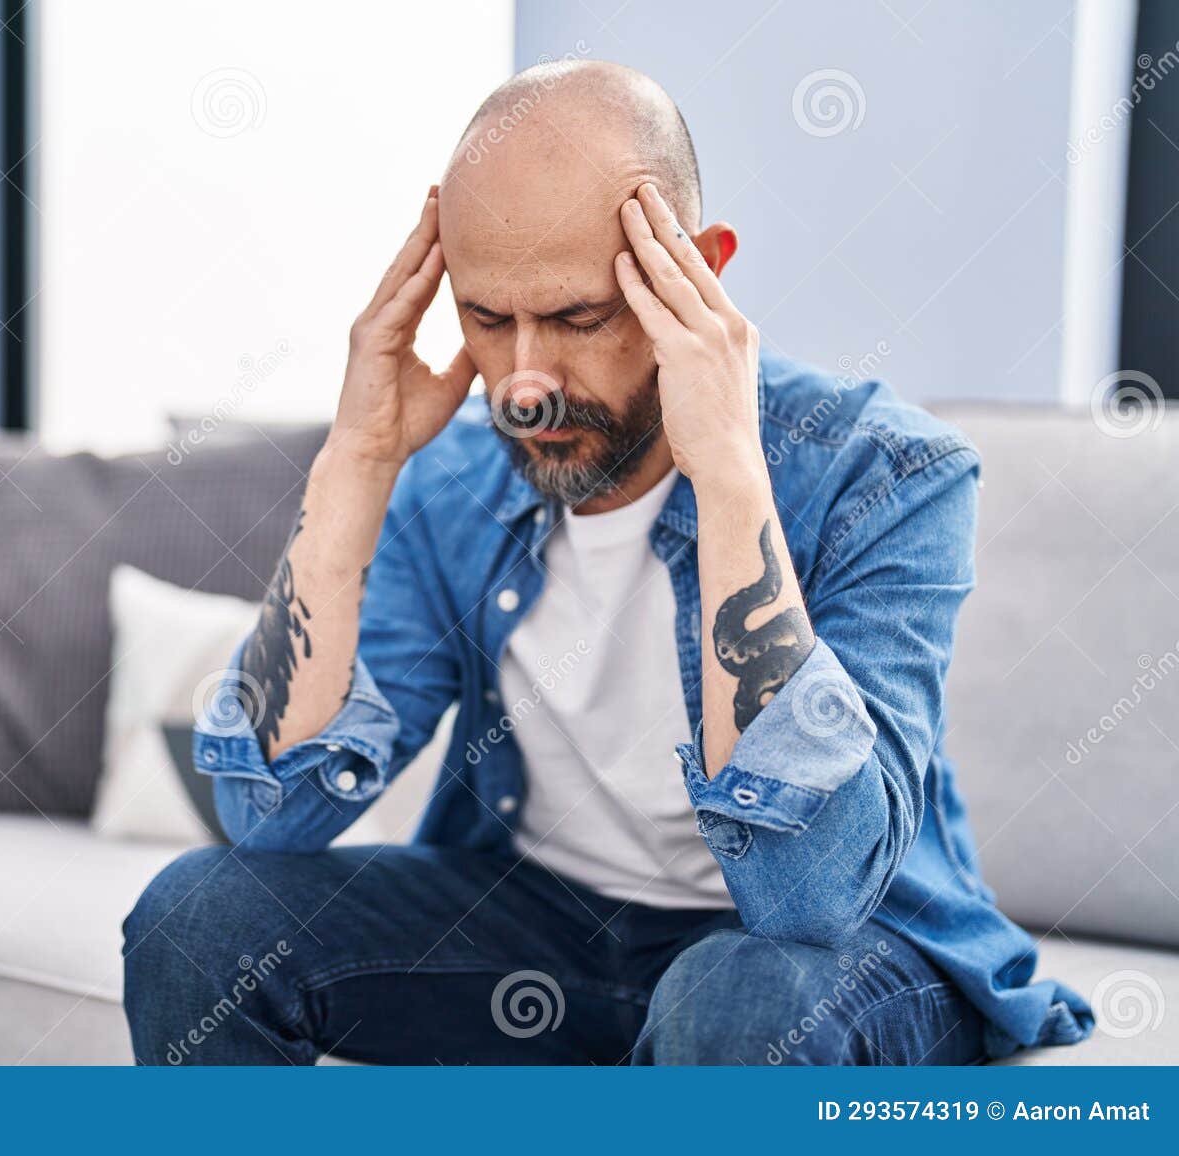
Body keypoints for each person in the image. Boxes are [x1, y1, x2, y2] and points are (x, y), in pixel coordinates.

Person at [121, 59, 1091, 1065]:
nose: (524, 384)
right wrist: (356, 464)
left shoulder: (886, 475)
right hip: (551, 930)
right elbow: (270, 815)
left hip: (825, 957)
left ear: (696, 276)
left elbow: (809, 898)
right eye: (488, 320)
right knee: (198, 920)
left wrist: (728, 479)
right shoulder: (451, 483)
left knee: (737, 1000)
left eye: (577, 319)